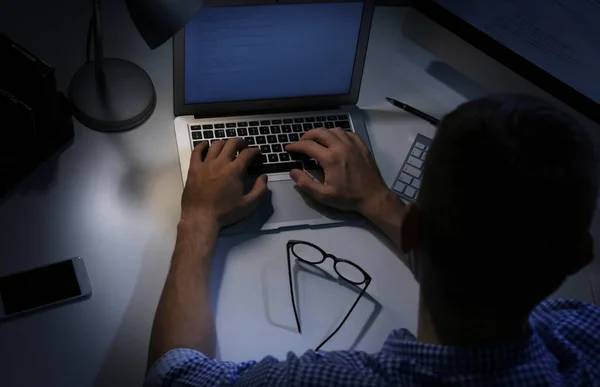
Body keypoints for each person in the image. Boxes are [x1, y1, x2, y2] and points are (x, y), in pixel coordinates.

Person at [144, 94, 600, 386]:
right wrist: (378, 199)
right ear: (580, 256)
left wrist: (199, 219)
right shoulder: (585, 336)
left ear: (414, 229)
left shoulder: (332, 381)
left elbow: (175, 376)